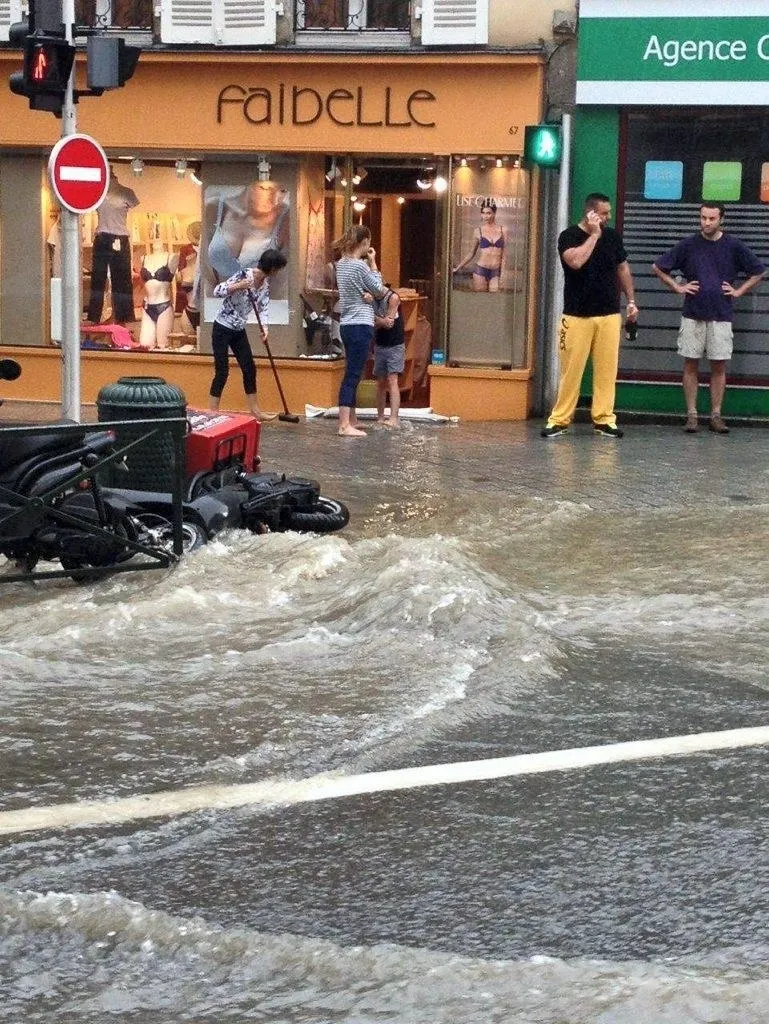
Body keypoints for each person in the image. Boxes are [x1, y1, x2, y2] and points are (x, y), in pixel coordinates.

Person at [652, 203, 765, 434]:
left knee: (719, 365)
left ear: (721, 219)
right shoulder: (689, 244)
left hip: (721, 315)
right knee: (690, 363)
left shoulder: (732, 245)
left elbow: (759, 270)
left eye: (712, 218)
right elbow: (658, 266)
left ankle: (716, 414)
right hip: (693, 313)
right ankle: (692, 415)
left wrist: (739, 291)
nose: (706, 223)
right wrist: (677, 286)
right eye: (703, 218)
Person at [541, 192, 638, 439]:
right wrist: (594, 235)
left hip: (608, 314)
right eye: (604, 213)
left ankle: (604, 418)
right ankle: (560, 419)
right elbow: (575, 262)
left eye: (608, 213)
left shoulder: (613, 237)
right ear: (591, 213)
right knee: (571, 370)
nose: (607, 217)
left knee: (607, 370)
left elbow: (623, 268)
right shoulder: (569, 236)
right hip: (577, 315)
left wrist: (631, 300)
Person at [208, 248, 287, 420]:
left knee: (249, 368)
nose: (278, 272)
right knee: (222, 371)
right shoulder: (244, 275)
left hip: (238, 329)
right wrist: (237, 286)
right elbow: (217, 291)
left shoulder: (264, 284)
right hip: (222, 327)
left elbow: (264, 307)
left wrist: (265, 328)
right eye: (278, 269)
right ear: (272, 268)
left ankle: (255, 411)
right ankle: (212, 412)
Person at [333, 225, 389, 437]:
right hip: (360, 323)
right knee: (353, 374)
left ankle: (352, 419)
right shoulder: (359, 266)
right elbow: (379, 289)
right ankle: (344, 424)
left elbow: (362, 291)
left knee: (351, 371)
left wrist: (368, 294)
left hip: (347, 323)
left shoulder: (341, 265)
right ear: (364, 242)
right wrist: (373, 263)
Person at [207, 180, 289, 282]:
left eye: (283, 191)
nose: (276, 200)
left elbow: (283, 284)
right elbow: (205, 274)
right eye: (266, 188)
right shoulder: (214, 208)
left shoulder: (286, 218)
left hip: (265, 297)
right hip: (215, 296)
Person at [86, 170, 139, 325]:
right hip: (103, 237)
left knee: (120, 279)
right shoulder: (98, 192)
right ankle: (95, 316)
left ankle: (124, 317)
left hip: (119, 237)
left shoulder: (127, 193)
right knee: (98, 278)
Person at [452, 199, 505, 292]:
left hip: (495, 270)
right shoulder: (478, 231)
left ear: (494, 213)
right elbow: (471, 253)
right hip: (481, 269)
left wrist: (503, 274)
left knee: (495, 297)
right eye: (483, 213)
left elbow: (504, 255)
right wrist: (458, 267)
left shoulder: (502, 230)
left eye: (489, 213)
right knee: (480, 299)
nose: (486, 216)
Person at [138, 236, 179, 351]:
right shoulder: (144, 258)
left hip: (164, 306)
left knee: (163, 346)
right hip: (147, 305)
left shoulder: (171, 257)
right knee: (145, 345)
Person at [372, 288, 403, 427]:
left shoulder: (393, 298)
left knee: (392, 379)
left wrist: (378, 321)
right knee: (380, 381)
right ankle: (380, 417)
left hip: (395, 345)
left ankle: (394, 418)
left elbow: (388, 323)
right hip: (380, 344)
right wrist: (381, 321)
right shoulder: (371, 299)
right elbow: (373, 322)